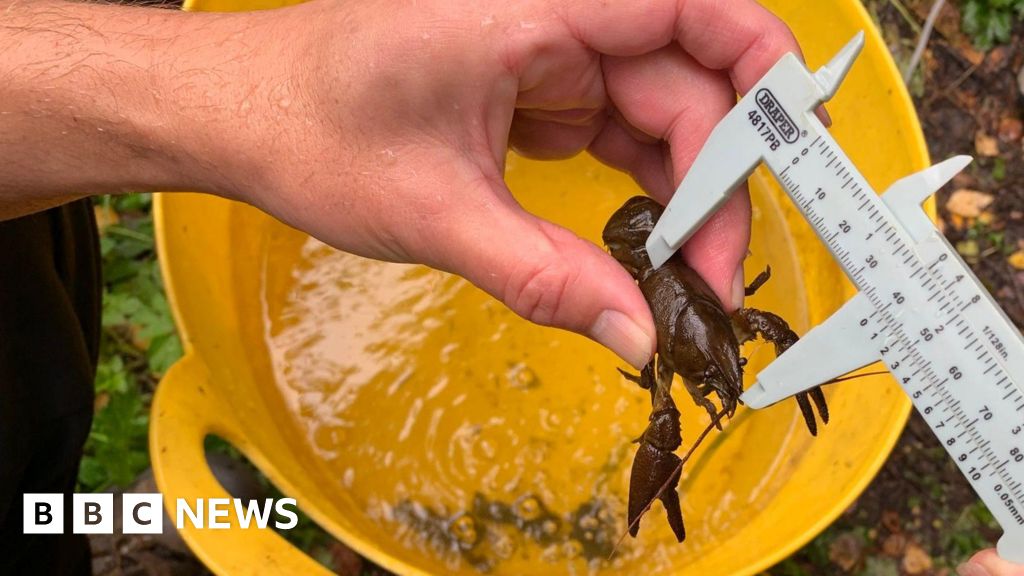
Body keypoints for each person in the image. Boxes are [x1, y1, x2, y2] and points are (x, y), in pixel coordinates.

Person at [0, 0, 1016, 574]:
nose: (718, 388)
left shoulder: (706, 323)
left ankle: (96, 540)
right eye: (713, 384)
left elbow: (739, 323)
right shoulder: (665, 293)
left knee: (41, 449)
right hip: (651, 251)